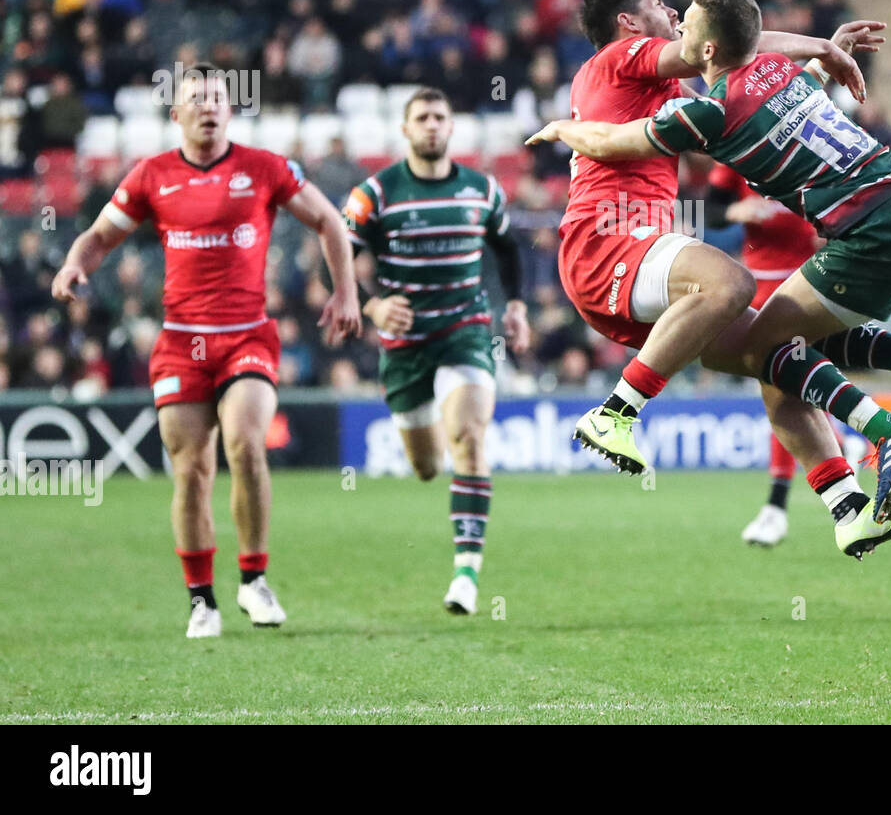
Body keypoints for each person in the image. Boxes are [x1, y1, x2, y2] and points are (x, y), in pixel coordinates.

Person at [529, 0, 891, 554]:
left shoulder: (707, 98)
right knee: (735, 286)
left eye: (682, 12)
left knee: (769, 358)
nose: (673, 12)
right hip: (608, 242)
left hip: (652, 247)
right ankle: (616, 412)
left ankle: (851, 504)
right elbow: (636, 120)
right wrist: (818, 47)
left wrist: (818, 47)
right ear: (629, 25)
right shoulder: (622, 58)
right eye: (659, 6)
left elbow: (735, 45)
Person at [51, 65, 362, 638]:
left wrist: (346, 292)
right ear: (176, 114)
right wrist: (74, 263)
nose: (209, 107)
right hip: (179, 342)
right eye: (197, 100)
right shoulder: (152, 177)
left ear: (231, 108)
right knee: (191, 470)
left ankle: (253, 579)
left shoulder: (263, 168)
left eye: (218, 98)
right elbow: (99, 236)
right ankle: (202, 600)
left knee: (245, 443)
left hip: (246, 334)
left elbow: (330, 223)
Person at [342, 88, 531, 616]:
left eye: (440, 117)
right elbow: (335, 263)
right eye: (421, 118)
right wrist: (374, 308)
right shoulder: (375, 194)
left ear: (452, 128)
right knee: (426, 466)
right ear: (404, 129)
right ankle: (447, 457)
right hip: (404, 347)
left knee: (469, 437)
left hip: (466, 330)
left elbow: (508, 247)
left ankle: (466, 574)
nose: (431, 125)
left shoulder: (482, 190)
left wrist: (514, 305)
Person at [706, 162, 822, 547]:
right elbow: (707, 209)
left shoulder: (811, 152)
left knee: (782, 390)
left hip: (804, 285)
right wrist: (732, 212)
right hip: (756, 289)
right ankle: (849, 437)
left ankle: (776, 507)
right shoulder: (736, 155)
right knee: (789, 390)